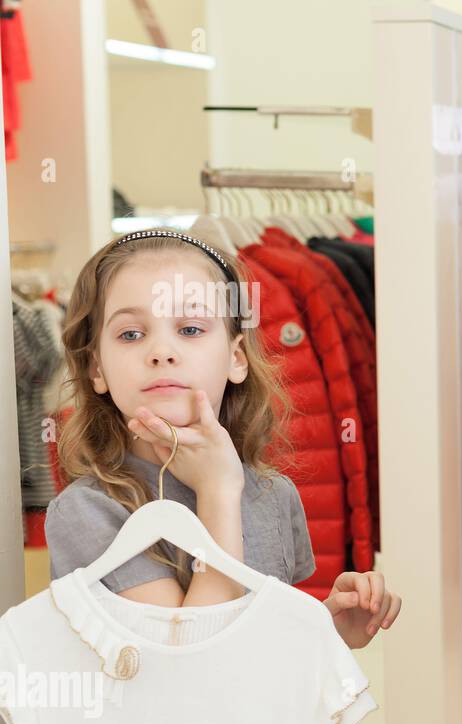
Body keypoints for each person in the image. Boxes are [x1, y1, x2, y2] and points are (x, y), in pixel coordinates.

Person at [44, 229, 400, 649]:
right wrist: (217, 491)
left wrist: (332, 629)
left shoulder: (274, 494)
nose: (161, 351)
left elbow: (260, 647)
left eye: (191, 329)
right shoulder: (88, 512)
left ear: (235, 358)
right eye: (131, 334)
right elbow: (189, 662)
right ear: (97, 369)